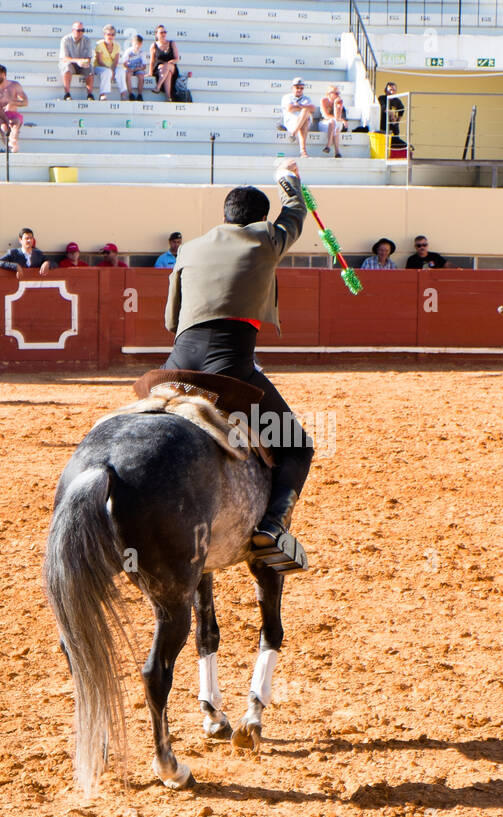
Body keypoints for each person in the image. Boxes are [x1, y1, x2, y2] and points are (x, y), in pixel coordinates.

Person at [162, 159, 313, 573]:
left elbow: (170, 321)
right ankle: (272, 527)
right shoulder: (264, 239)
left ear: (225, 217)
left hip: (177, 366)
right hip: (229, 368)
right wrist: (290, 179)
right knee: (298, 446)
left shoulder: (188, 248)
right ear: (259, 220)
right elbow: (296, 213)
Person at [0, 65, 28, 153]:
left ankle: (13, 146)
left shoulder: (15, 85)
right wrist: (6, 120)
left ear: (3, 74)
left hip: (13, 114)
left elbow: (25, 102)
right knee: (3, 127)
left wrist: (12, 103)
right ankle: (9, 147)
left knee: (15, 124)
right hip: (0, 115)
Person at [59, 22, 95, 100]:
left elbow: (89, 57)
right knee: (66, 67)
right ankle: (67, 94)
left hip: (82, 65)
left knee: (90, 69)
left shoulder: (87, 40)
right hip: (71, 64)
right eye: (78, 30)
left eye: (82, 30)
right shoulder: (65, 39)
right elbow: (64, 58)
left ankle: (90, 94)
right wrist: (78, 61)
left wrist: (85, 62)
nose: (81, 32)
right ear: (73, 30)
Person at [280, 77, 315, 158]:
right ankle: (303, 151)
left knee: (305, 113)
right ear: (292, 88)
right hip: (291, 121)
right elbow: (290, 108)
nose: (299, 90)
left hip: (303, 121)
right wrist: (304, 107)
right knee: (305, 116)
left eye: (301, 88)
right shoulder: (287, 97)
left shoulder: (307, 98)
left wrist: (298, 106)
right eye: (297, 87)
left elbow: (313, 108)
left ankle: (294, 133)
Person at [149, 25, 181, 103]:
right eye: (161, 32)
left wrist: (171, 62)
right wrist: (150, 73)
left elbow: (177, 58)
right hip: (159, 69)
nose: (163, 34)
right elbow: (152, 61)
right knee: (167, 72)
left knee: (167, 67)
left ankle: (158, 87)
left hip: (172, 66)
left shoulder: (172, 43)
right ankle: (168, 97)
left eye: (165, 32)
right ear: (156, 34)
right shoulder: (153, 45)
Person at [92, 25, 122, 101]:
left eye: (113, 34)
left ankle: (123, 93)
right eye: (108, 34)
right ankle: (103, 94)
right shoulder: (99, 44)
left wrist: (112, 69)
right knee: (107, 72)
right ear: (104, 35)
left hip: (111, 67)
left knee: (122, 71)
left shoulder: (117, 46)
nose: (110, 36)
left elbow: (116, 61)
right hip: (99, 67)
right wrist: (110, 70)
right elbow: (99, 61)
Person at [320, 84, 347, 157]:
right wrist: (339, 119)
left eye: (338, 93)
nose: (337, 95)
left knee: (336, 125)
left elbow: (338, 117)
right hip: (325, 122)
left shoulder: (339, 102)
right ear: (329, 93)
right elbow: (326, 115)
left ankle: (329, 147)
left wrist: (336, 105)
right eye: (335, 93)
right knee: (333, 123)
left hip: (335, 124)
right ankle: (336, 150)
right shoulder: (324, 101)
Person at [378, 81, 405, 148]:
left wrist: (397, 122)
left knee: (402, 146)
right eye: (390, 90)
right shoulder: (382, 98)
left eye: (394, 90)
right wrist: (392, 115)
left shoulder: (397, 101)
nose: (392, 92)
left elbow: (402, 110)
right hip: (384, 128)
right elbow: (384, 108)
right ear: (385, 91)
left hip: (394, 130)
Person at [124, 34, 147, 101]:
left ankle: (140, 94)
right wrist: (129, 68)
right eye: (136, 44)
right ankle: (130, 93)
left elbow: (144, 65)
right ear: (132, 42)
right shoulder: (128, 51)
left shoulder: (142, 52)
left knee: (141, 76)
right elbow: (124, 63)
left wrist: (138, 69)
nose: (137, 46)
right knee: (128, 75)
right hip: (130, 68)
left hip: (138, 69)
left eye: (139, 44)